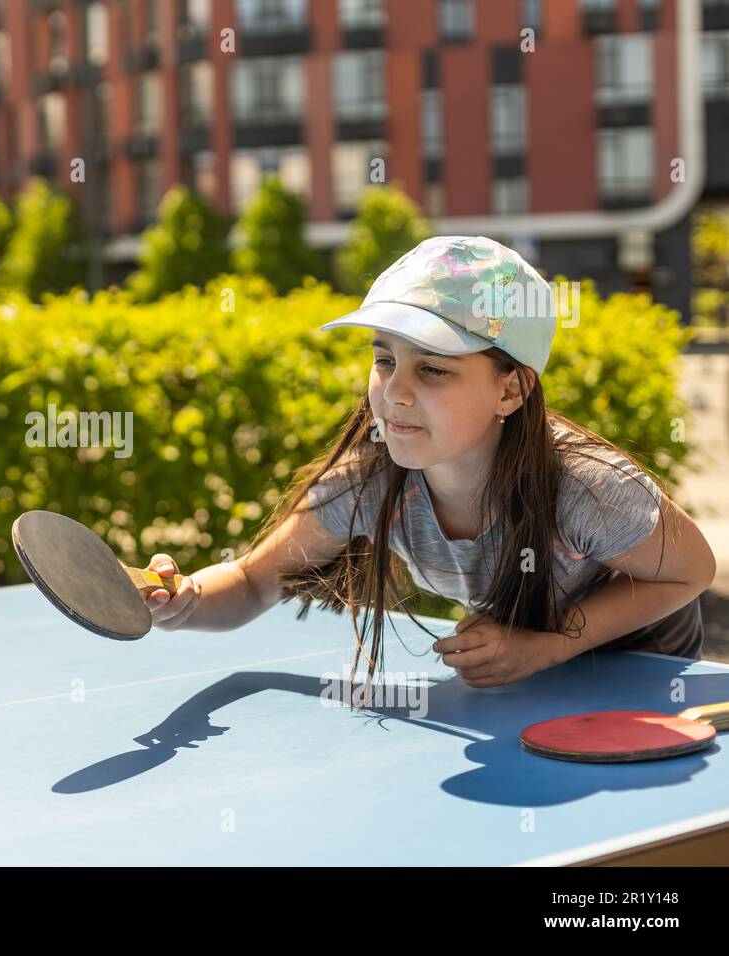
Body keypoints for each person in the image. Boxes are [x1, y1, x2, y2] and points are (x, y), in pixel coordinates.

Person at [140, 236, 716, 689]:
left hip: (640, 667)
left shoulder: (587, 490)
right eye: (384, 360)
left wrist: (553, 645)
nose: (395, 393)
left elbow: (692, 571)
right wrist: (184, 598)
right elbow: (247, 582)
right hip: (528, 673)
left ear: (511, 391)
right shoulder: (367, 487)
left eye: (434, 368)